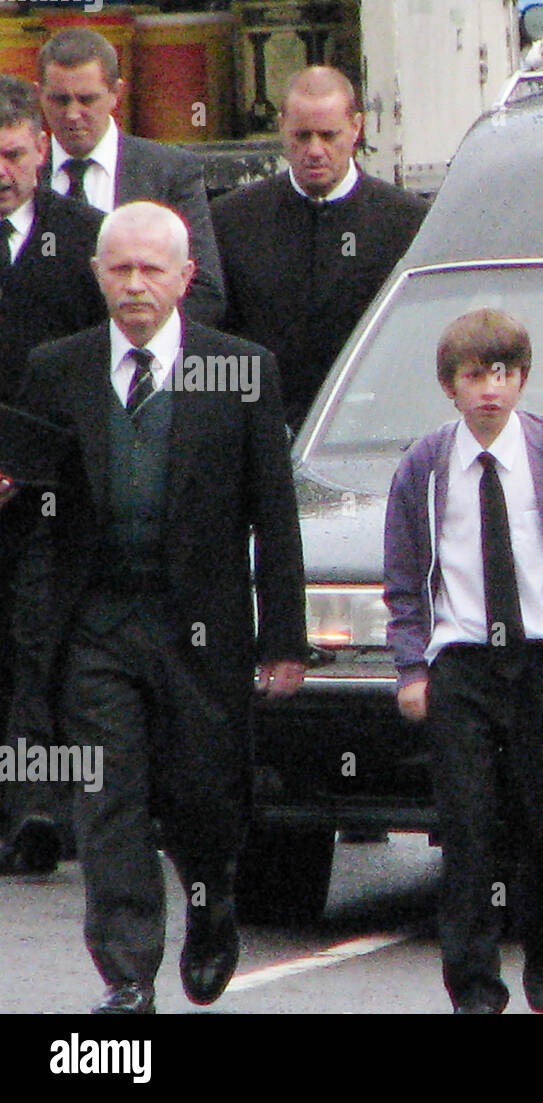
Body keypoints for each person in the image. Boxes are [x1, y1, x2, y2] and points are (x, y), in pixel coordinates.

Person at [0, 201, 307, 1014]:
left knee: (205, 797)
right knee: (110, 799)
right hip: (97, 627)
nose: (135, 284)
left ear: (184, 277)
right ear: (97, 274)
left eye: (150, 269)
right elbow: (28, 514)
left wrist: (286, 639)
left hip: (200, 630)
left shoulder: (239, 369)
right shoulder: (56, 368)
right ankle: (128, 971)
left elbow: (273, 515)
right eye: (120, 268)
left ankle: (211, 906)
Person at [384, 308, 543, 1014]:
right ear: (450, 386)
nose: (490, 390)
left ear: (522, 379)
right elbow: (405, 572)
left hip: (541, 660)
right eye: (474, 375)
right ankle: (474, 985)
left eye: (503, 374)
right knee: (468, 829)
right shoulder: (424, 464)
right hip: (462, 663)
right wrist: (411, 666)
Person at [0, 73, 105, 876]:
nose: (1, 171)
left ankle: (37, 809)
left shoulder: (86, 240)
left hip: (53, 494)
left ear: (41, 151)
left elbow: (100, 367)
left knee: (42, 648)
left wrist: (27, 462)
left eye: (11, 153)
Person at [212, 65, 429, 433]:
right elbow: (215, 337)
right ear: (281, 125)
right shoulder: (231, 221)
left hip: (372, 430)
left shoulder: (408, 223)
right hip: (259, 428)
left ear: (357, 128)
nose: (315, 151)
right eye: (302, 136)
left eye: (329, 136)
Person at [36, 26, 226, 326]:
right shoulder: (19, 175)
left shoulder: (170, 172)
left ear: (116, 94)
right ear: (40, 95)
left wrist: (133, 343)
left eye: (87, 99)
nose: (72, 114)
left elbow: (204, 291)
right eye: (60, 100)